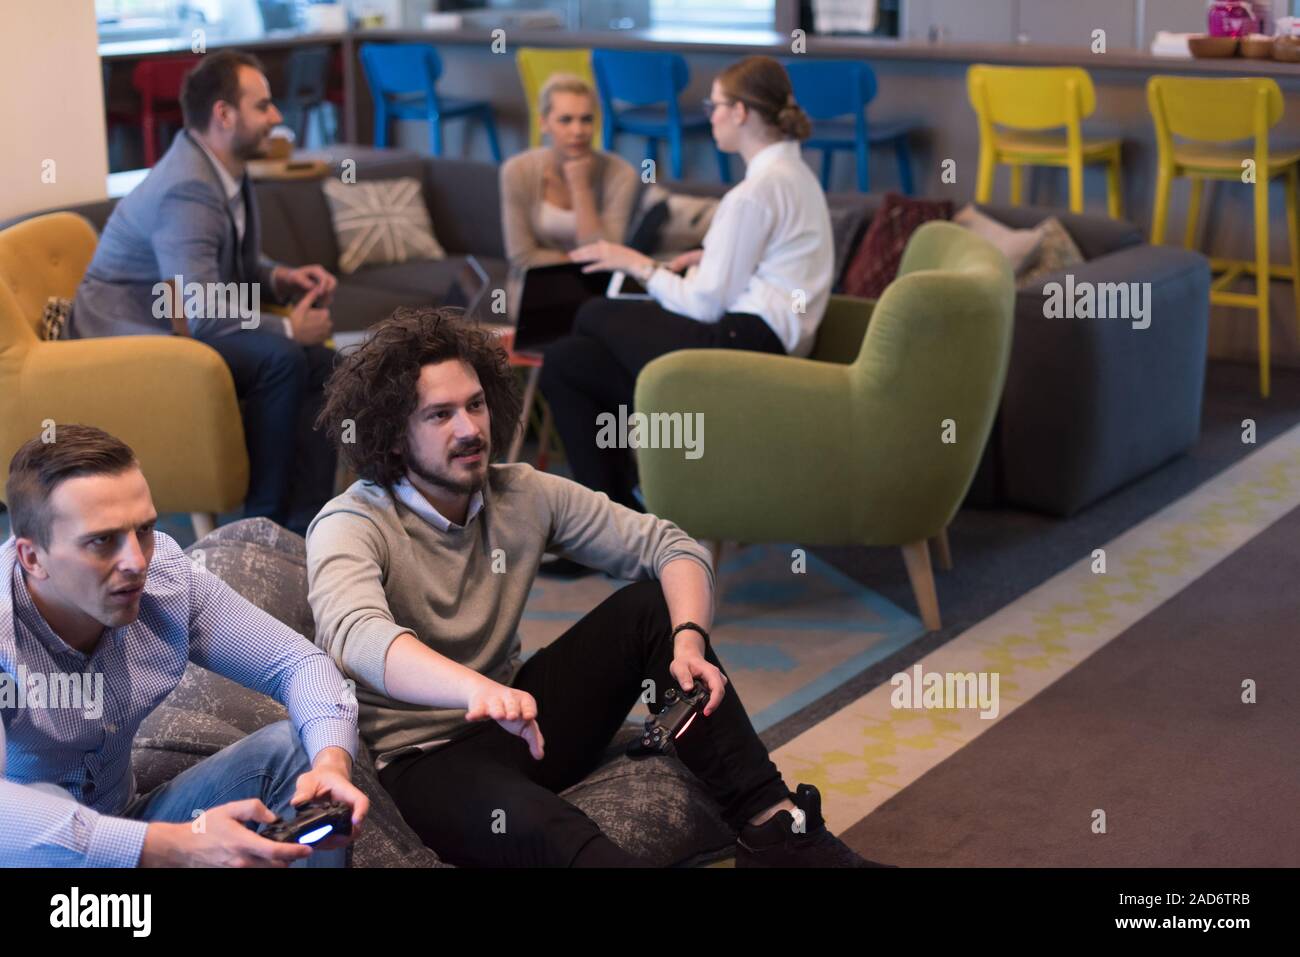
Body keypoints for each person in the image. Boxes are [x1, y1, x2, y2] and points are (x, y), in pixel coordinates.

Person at [306, 308, 881, 868]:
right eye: (440, 415)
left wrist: (687, 643)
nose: (470, 429)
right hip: (424, 762)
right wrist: (472, 690)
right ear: (395, 436)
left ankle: (776, 828)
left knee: (650, 607)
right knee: (551, 830)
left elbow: (672, 548)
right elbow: (358, 636)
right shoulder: (351, 524)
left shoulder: (522, 493)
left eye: (476, 405)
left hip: (522, 724)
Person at [0, 425, 368, 867]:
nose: (136, 562)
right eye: (102, 541)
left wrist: (331, 763)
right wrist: (171, 846)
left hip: (134, 822)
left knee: (301, 749)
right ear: (31, 557)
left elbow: (297, 663)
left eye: (145, 530)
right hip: (30, 854)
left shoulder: (167, 579)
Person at [539, 56, 833, 509]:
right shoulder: (795, 176)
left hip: (746, 341)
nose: (709, 115)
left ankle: (639, 492)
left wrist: (637, 264)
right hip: (766, 335)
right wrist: (713, 256)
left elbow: (704, 305)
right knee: (566, 361)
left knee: (593, 313)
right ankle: (613, 516)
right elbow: (780, 261)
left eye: (714, 105)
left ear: (740, 112)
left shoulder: (754, 194)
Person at [68, 50, 339, 536]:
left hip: (175, 317)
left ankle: (305, 528)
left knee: (321, 361)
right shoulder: (186, 188)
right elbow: (199, 308)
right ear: (223, 114)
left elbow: (234, 265)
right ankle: (260, 525)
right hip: (135, 334)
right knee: (282, 356)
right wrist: (285, 325)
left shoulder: (226, 167)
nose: (277, 117)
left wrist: (283, 278)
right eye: (264, 106)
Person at [500, 74, 641, 319]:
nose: (578, 131)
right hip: (534, 281)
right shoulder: (517, 170)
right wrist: (579, 262)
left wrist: (580, 187)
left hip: (598, 285)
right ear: (544, 123)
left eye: (586, 119)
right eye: (565, 120)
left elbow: (606, 254)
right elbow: (521, 255)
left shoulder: (621, 173)